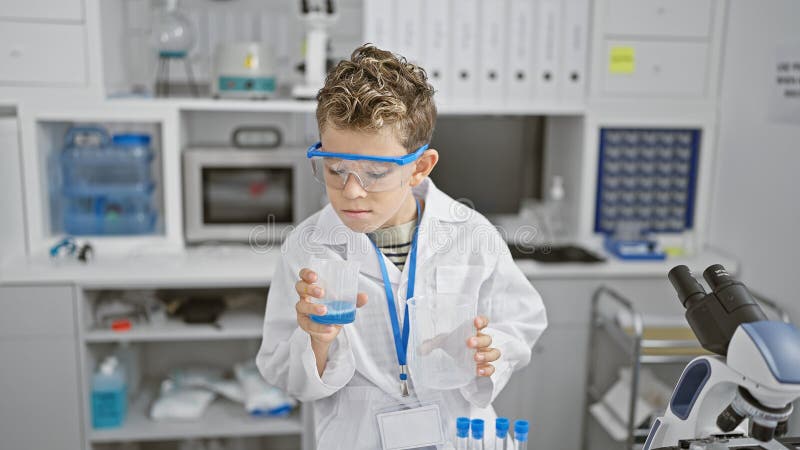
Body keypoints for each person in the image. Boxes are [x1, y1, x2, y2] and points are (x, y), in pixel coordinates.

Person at [256, 44, 547, 449]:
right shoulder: (307, 248)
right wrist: (316, 342)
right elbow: (282, 370)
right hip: (359, 435)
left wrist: (491, 348)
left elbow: (522, 320)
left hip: (456, 431)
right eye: (336, 169)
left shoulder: (470, 235)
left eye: (375, 173)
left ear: (420, 167)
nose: (352, 192)